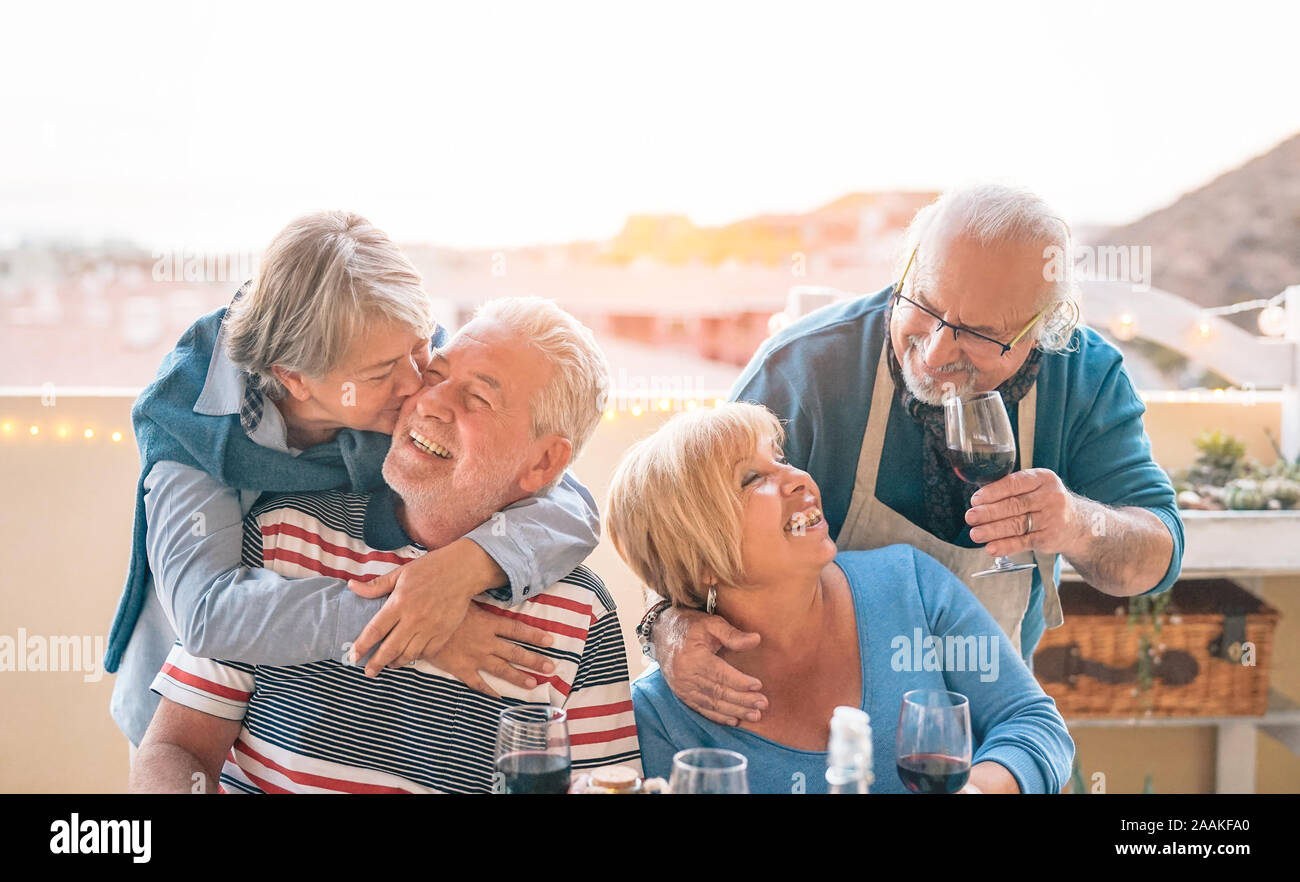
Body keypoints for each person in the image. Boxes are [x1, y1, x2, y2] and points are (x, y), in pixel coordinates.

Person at [641, 184, 1184, 726]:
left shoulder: (1087, 379)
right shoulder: (804, 368)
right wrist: (666, 626)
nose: (937, 351)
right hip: (809, 723)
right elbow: (683, 527)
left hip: (987, 726)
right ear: (904, 272)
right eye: (923, 304)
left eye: (978, 334)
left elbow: (1156, 558)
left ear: (1042, 329)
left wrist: (1077, 525)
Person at [107, 212, 601, 748]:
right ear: (294, 377)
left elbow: (565, 500)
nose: (420, 387)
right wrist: (409, 619)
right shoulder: (188, 421)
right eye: (382, 373)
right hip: (189, 709)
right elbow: (206, 615)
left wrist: (461, 570)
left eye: (422, 354)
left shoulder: (386, 337)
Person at [130, 297, 638, 793]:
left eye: (478, 399)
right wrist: (405, 617)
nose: (431, 401)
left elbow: (605, 785)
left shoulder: (581, 614)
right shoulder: (284, 533)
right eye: (435, 376)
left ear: (545, 463)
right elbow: (176, 751)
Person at [610, 402, 1073, 794]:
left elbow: (1032, 723)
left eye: (780, 457)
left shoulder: (907, 585)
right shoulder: (657, 716)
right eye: (751, 478)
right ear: (700, 557)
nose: (796, 478)